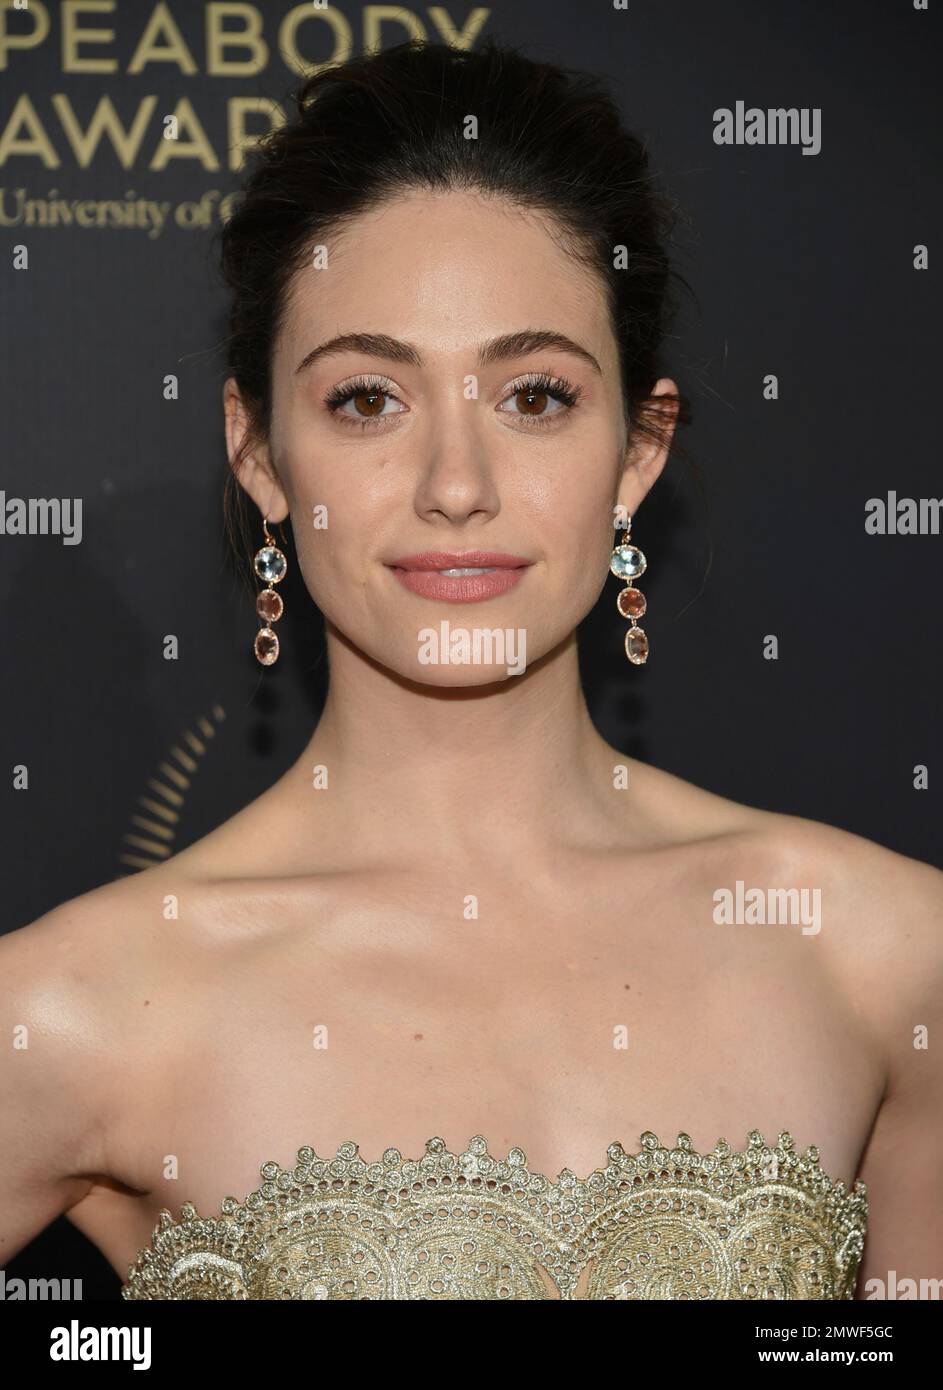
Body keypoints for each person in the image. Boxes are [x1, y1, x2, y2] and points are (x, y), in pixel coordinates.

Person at [2, 39, 940, 1302]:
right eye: (366, 401)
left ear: (639, 450)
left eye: (536, 395)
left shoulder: (879, 953)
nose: (456, 485)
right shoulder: (82, 1005)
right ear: (261, 454)